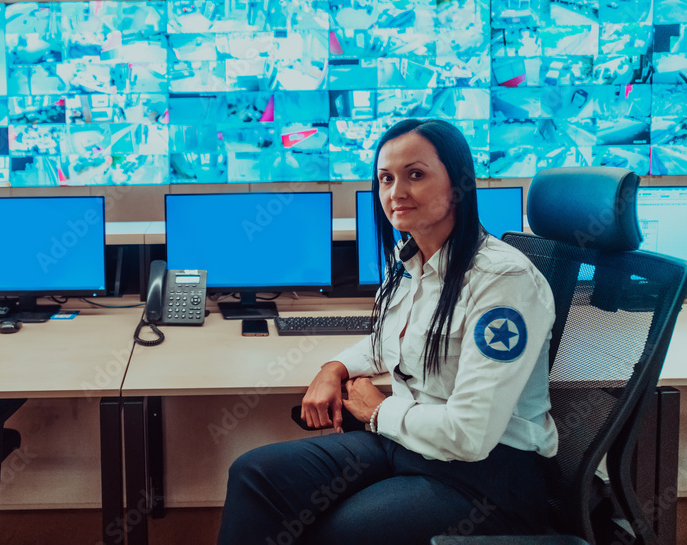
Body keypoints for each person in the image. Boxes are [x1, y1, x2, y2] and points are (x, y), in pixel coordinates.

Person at [217, 118, 557, 545]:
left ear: (457, 185)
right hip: (407, 442)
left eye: (416, 175)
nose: (396, 192)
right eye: (385, 178)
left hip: (484, 476)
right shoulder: (413, 260)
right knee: (254, 475)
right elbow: (389, 341)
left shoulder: (503, 281)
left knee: (331, 533)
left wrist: (375, 410)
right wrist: (333, 367)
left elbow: (470, 436)